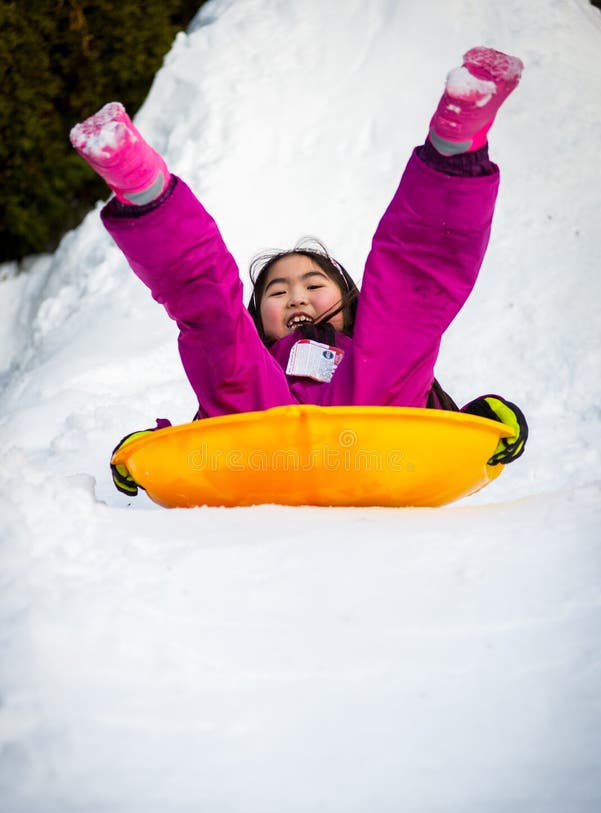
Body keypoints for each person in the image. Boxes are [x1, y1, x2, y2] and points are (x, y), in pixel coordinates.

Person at [70, 46, 528, 497]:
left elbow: (451, 397)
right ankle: (142, 186)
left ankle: (456, 141)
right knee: (215, 326)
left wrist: (486, 418)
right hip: (257, 426)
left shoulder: (375, 353)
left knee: (407, 309)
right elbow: (189, 433)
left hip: (374, 412)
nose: (297, 297)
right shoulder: (248, 366)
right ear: (259, 315)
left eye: (314, 284)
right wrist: (149, 450)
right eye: (277, 291)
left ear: (349, 303)